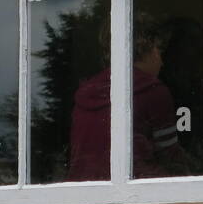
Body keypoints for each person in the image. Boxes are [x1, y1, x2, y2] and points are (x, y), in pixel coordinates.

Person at [67, 16, 192, 181]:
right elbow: (171, 157)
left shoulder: (84, 93)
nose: (162, 62)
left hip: (81, 194)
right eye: (160, 50)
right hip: (138, 187)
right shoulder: (153, 91)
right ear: (148, 49)